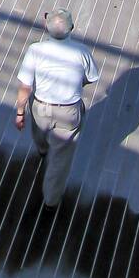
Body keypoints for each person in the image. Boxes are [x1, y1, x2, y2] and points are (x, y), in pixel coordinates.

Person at [16, 10, 99, 207]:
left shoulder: (35, 50)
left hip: (41, 107)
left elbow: (25, 88)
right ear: (71, 28)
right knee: (60, 160)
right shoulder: (81, 52)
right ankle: (51, 201)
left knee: (39, 131)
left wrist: (20, 113)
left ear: (46, 26)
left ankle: (42, 149)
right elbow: (91, 78)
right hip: (69, 112)